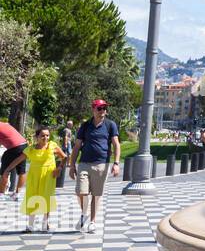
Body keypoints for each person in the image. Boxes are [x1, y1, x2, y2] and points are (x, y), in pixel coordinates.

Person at [68, 99, 121, 233]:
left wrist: (116, 163)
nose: (103, 111)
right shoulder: (85, 126)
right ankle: (84, 213)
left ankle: (92, 221)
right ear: (93, 109)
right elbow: (77, 146)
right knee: (81, 192)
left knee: (96, 195)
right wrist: (72, 165)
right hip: (84, 163)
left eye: (104, 108)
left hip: (101, 164)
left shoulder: (110, 125)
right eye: (100, 108)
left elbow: (116, 144)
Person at [9, 125, 66, 232]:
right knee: (32, 198)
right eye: (42, 135)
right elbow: (18, 160)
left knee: (47, 198)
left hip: (48, 176)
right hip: (34, 177)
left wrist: (59, 168)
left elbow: (65, 157)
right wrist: (7, 170)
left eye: (47, 135)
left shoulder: (52, 146)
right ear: (37, 137)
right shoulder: (30, 149)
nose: (45, 138)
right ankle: (30, 226)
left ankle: (45, 224)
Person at [0, 120, 28, 201]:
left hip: (14, 147)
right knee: (21, 171)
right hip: (24, 145)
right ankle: (17, 194)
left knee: (5, 170)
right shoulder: (3, 124)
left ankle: (1, 194)